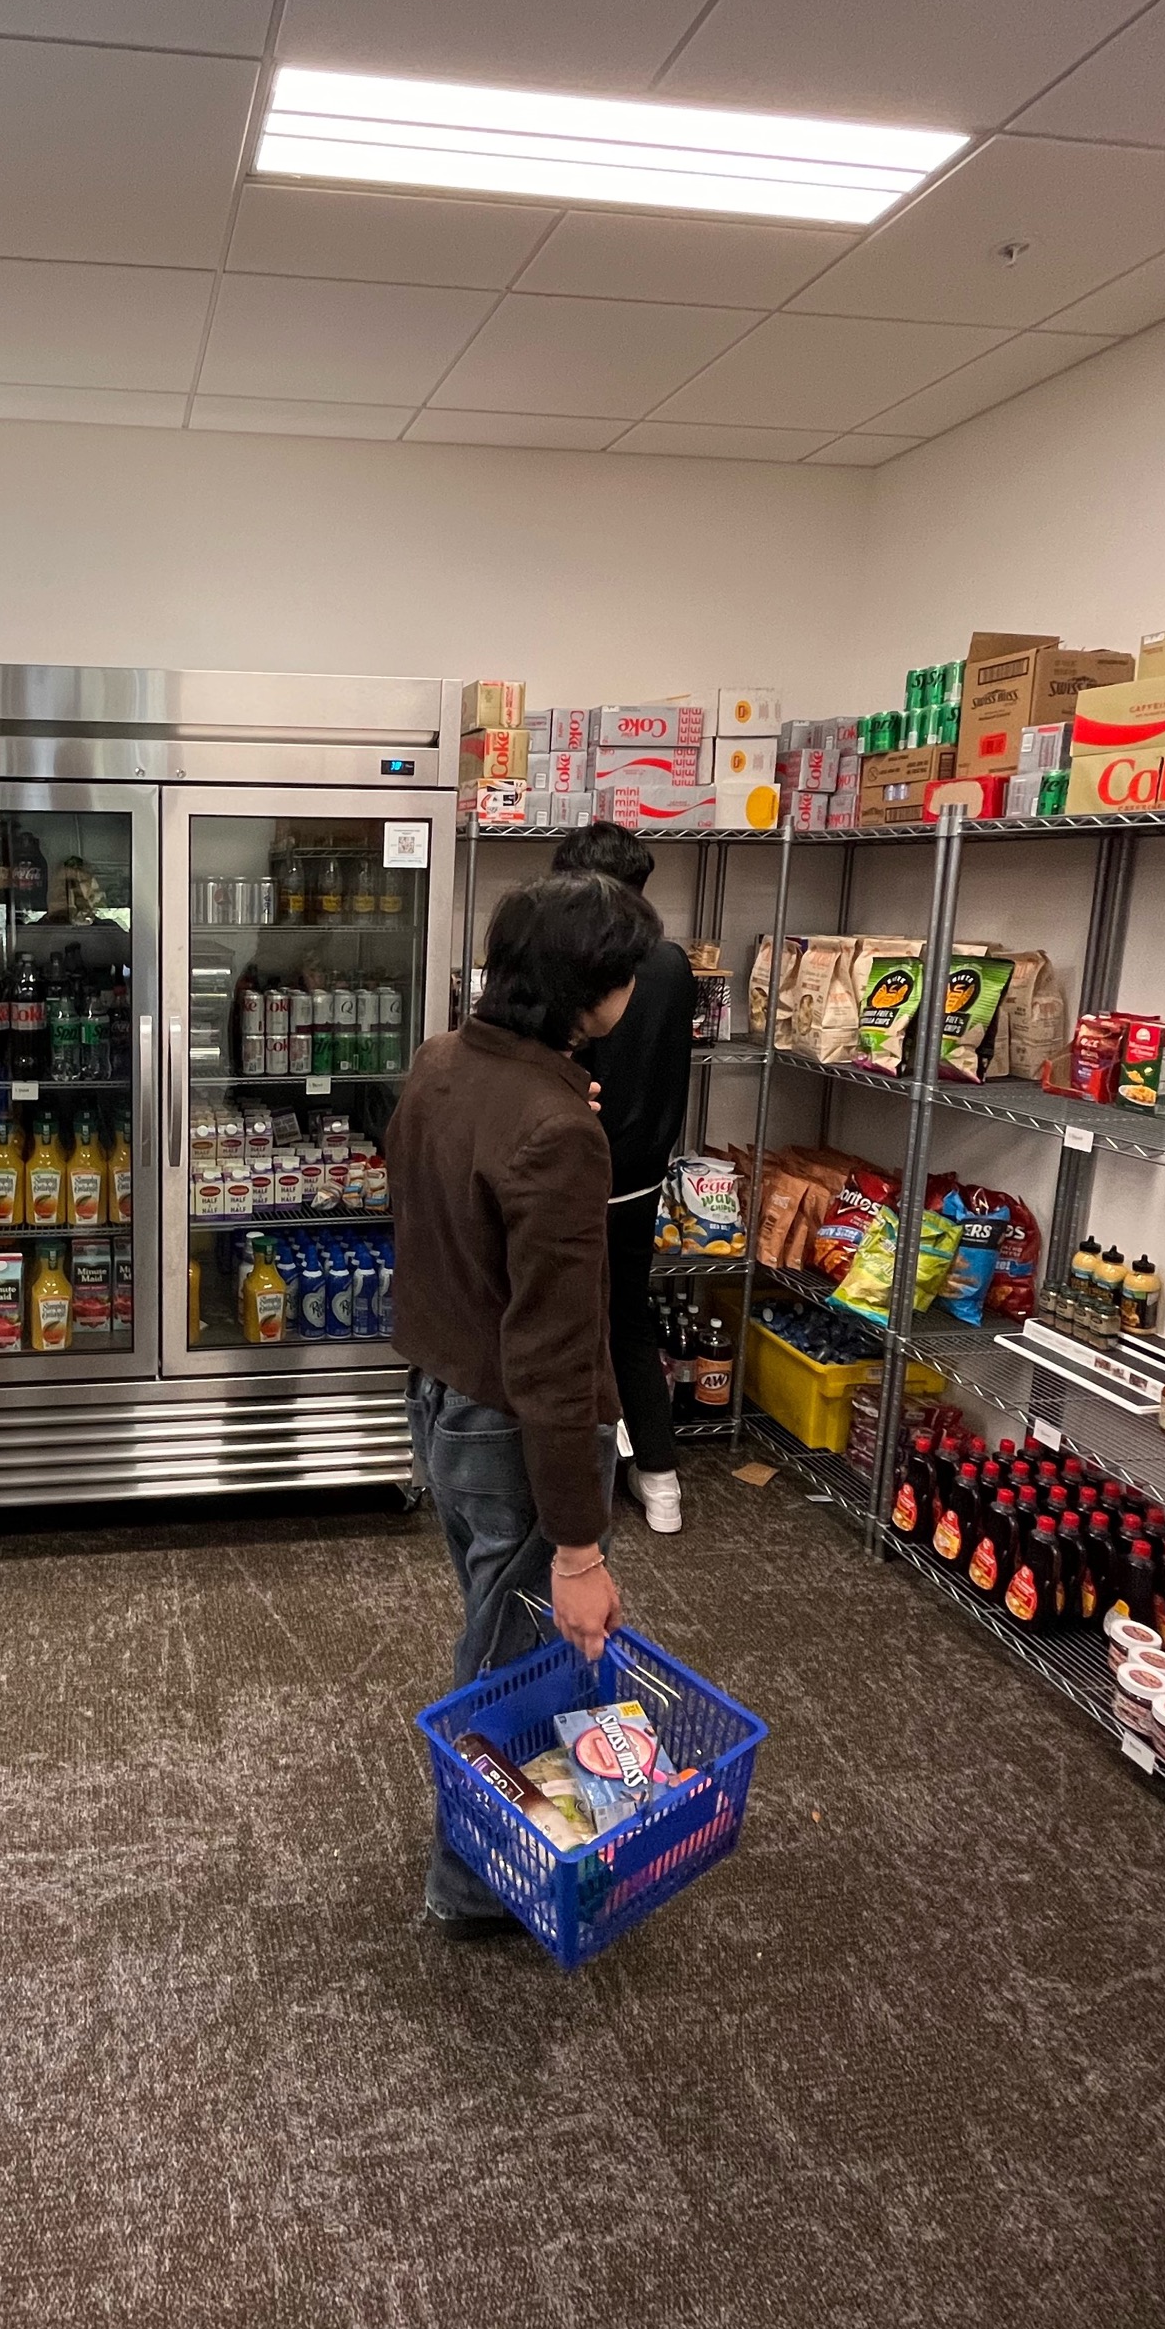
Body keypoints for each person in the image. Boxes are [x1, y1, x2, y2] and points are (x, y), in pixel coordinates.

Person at [386, 870, 661, 1930]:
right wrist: (582, 1550)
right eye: (626, 974)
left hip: (441, 1398)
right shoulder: (561, 1131)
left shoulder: (442, 1060)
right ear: (590, 990)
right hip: (515, 1429)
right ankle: (472, 1884)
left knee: (499, 1626)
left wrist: (555, 1095)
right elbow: (552, 1355)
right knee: (516, 1660)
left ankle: (529, 1847)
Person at [553, 819, 699, 1536]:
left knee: (560, 1323)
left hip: (575, 1177)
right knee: (628, 1323)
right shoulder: (672, 964)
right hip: (642, 1178)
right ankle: (661, 1482)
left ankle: (567, 1478)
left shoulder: (584, 967)